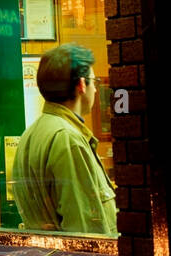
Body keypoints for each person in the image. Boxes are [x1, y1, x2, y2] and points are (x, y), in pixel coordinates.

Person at [12, 43, 117, 236]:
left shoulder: (32, 133)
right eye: (95, 81)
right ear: (82, 85)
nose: (95, 89)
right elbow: (85, 233)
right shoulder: (67, 139)